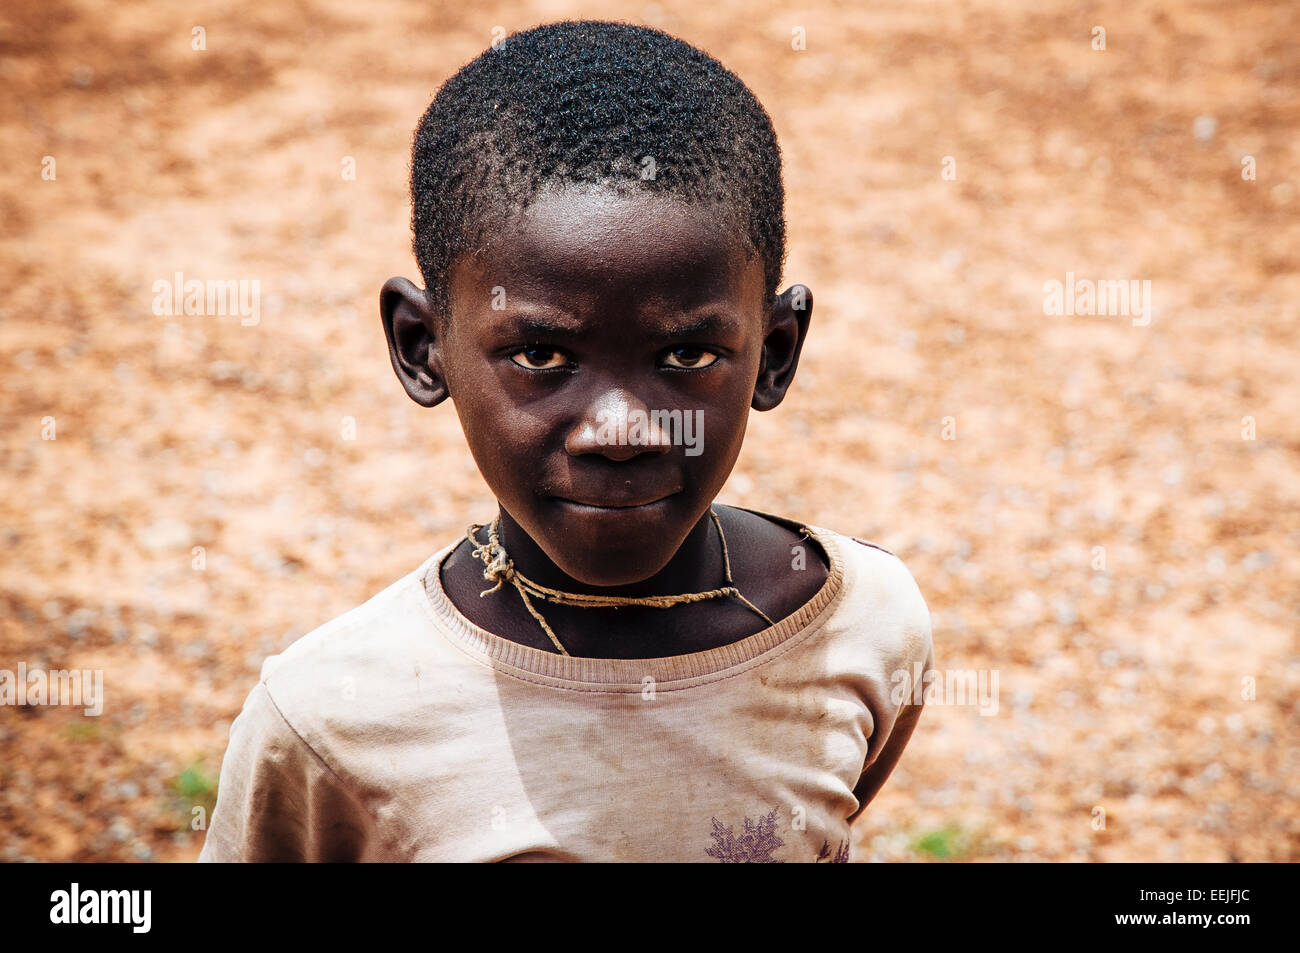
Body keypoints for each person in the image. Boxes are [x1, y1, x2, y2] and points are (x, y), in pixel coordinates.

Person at [199, 18, 933, 863]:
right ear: (420, 346)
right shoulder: (332, 718)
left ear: (774, 354)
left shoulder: (861, 624)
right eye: (542, 355)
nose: (618, 431)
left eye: (686, 354)